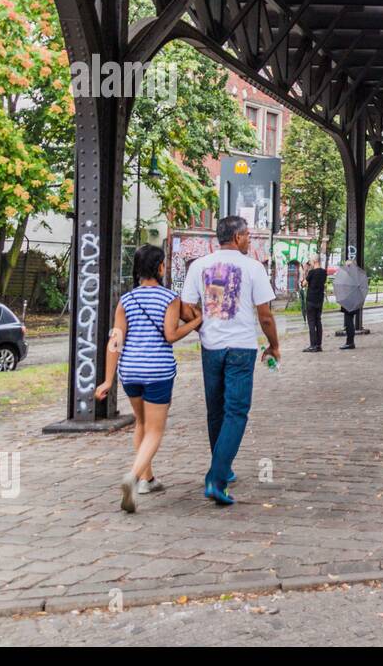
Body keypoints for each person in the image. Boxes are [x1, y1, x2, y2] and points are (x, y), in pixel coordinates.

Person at [180, 216, 281, 506]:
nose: (250, 239)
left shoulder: (199, 266)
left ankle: (222, 466)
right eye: (248, 235)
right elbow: (264, 315)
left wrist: (203, 327)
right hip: (241, 348)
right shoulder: (253, 267)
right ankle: (217, 478)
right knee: (236, 412)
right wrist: (274, 346)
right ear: (236, 238)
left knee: (216, 410)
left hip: (211, 348)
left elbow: (186, 307)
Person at [96, 244, 201, 513]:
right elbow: (170, 335)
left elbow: (114, 342)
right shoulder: (169, 298)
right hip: (157, 372)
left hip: (130, 372)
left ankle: (147, 479)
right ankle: (132, 477)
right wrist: (195, 323)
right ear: (161, 267)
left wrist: (108, 380)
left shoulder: (126, 300)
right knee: (155, 430)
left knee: (140, 423)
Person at [302, 257, 327, 352]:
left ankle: (313, 345)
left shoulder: (312, 272)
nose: (310, 263)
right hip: (319, 300)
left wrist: (305, 271)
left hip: (311, 300)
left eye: (311, 261)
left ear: (314, 261)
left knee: (311, 323)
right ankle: (319, 345)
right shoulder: (324, 272)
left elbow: (304, 284)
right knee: (318, 322)